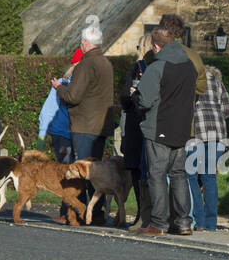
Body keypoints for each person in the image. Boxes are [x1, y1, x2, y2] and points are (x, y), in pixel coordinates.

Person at [136, 19, 198, 235]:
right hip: (182, 128)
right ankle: (183, 222)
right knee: (179, 174)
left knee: (157, 175)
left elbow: (145, 101)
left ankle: (159, 223)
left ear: (156, 46)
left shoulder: (157, 67)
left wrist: (137, 94)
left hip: (158, 127)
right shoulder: (189, 66)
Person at [56, 25, 114, 163]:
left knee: (83, 170)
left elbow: (73, 97)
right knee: (95, 170)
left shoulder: (85, 64)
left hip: (85, 126)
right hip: (101, 125)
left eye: (81, 42)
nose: (81, 45)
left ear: (86, 43)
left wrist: (59, 87)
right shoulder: (106, 63)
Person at [187, 64, 229, 231]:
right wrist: (216, 115)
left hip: (195, 134)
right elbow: (228, 110)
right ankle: (211, 222)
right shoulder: (218, 84)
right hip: (217, 136)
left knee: (190, 176)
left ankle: (198, 220)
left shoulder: (190, 82)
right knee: (209, 177)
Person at [120, 37, 154, 230]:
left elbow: (125, 100)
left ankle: (143, 214)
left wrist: (132, 94)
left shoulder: (137, 67)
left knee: (138, 170)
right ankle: (147, 214)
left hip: (136, 123)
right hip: (150, 123)